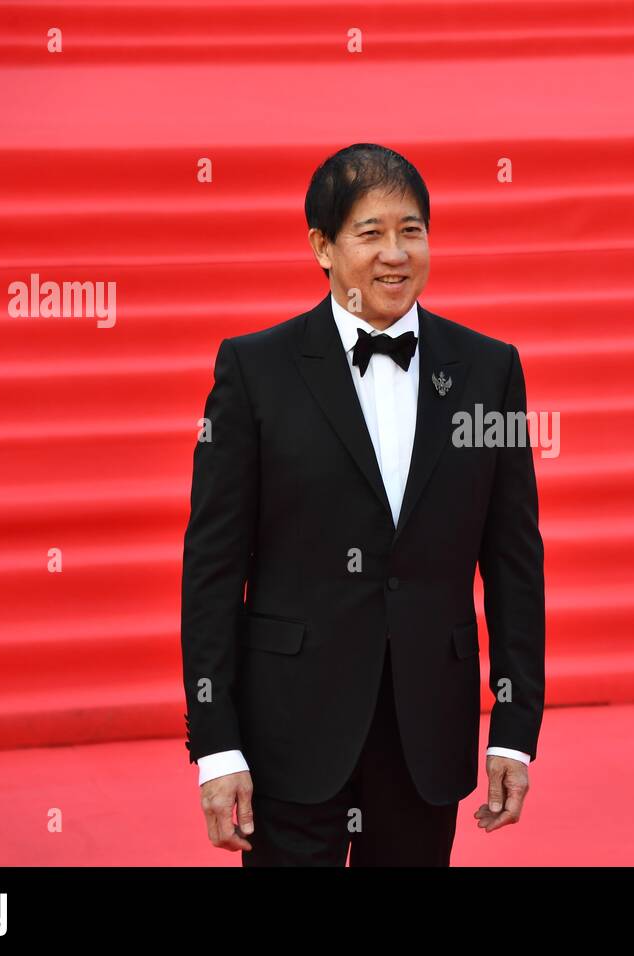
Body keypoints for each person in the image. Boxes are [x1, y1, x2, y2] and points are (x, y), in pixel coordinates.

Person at [180, 143, 545, 865]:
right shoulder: (256, 371)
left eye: (412, 231)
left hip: (424, 737)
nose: (396, 254)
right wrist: (216, 745)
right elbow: (213, 570)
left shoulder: (487, 370)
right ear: (322, 246)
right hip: (289, 734)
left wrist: (512, 727)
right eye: (370, 233)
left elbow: (514, 564)